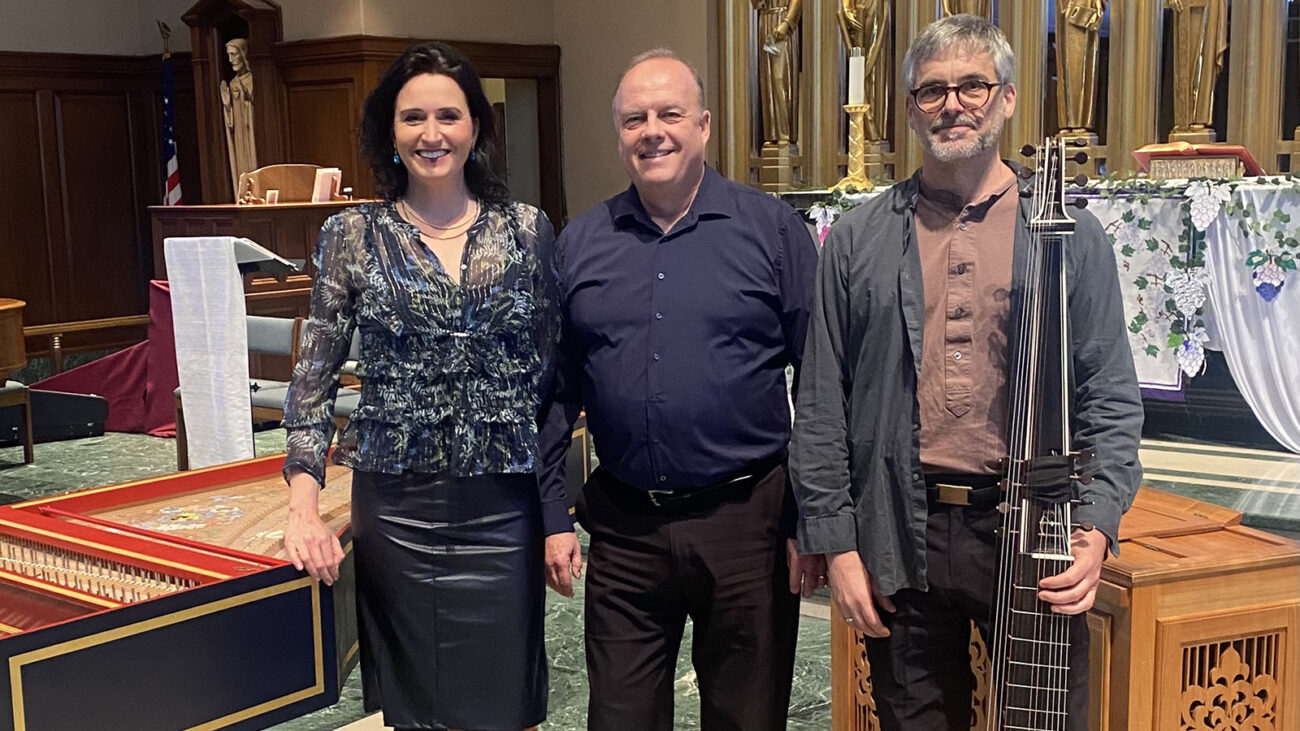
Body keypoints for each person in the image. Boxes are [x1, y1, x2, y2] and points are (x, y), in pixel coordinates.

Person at [790, 14, 1142, 731]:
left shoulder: (1068, 237)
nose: (951, 104)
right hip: (900, 525)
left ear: (1007, 98)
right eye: (931, 91)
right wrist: (838, 546)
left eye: (972, 86)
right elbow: (823, 402)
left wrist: (1099, 522)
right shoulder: (859, 237)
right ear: (911, 107)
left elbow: (1109, 394)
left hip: (1029, 526)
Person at [537, 49, 822, 730]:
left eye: (669, 113)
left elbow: (820, 384)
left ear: (704, 126)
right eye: (634, 118)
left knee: (747, 716)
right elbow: (553, 391)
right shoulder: (581, 243)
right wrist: (550, 515)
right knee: (620, 717)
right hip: (626, 526)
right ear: (619, 133)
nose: (652, 130)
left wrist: (813, 519)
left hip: (747, 519)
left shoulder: (772, 231)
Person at [280, 41, 559, 731]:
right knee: (416, 706)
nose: (431, 134)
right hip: (398, 508)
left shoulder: (526, 230)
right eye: (412, 118)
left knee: (505, 700)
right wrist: (302, 504)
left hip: (504, 504)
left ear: (475, 128)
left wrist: (560, 513)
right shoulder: (352, 234)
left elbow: (552, 376)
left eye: (448, 115)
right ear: (390, 132)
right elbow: (312, 380)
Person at [221, 38, 258, 193]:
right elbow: (230, 123)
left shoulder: (252, 79)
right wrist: (228, 106)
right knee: (240, 164)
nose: (230, 60)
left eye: (234, 54)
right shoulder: (232, 84)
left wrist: (247, 99)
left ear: (243, 54)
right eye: (228, 55)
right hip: (239, 134)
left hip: (251, 131)